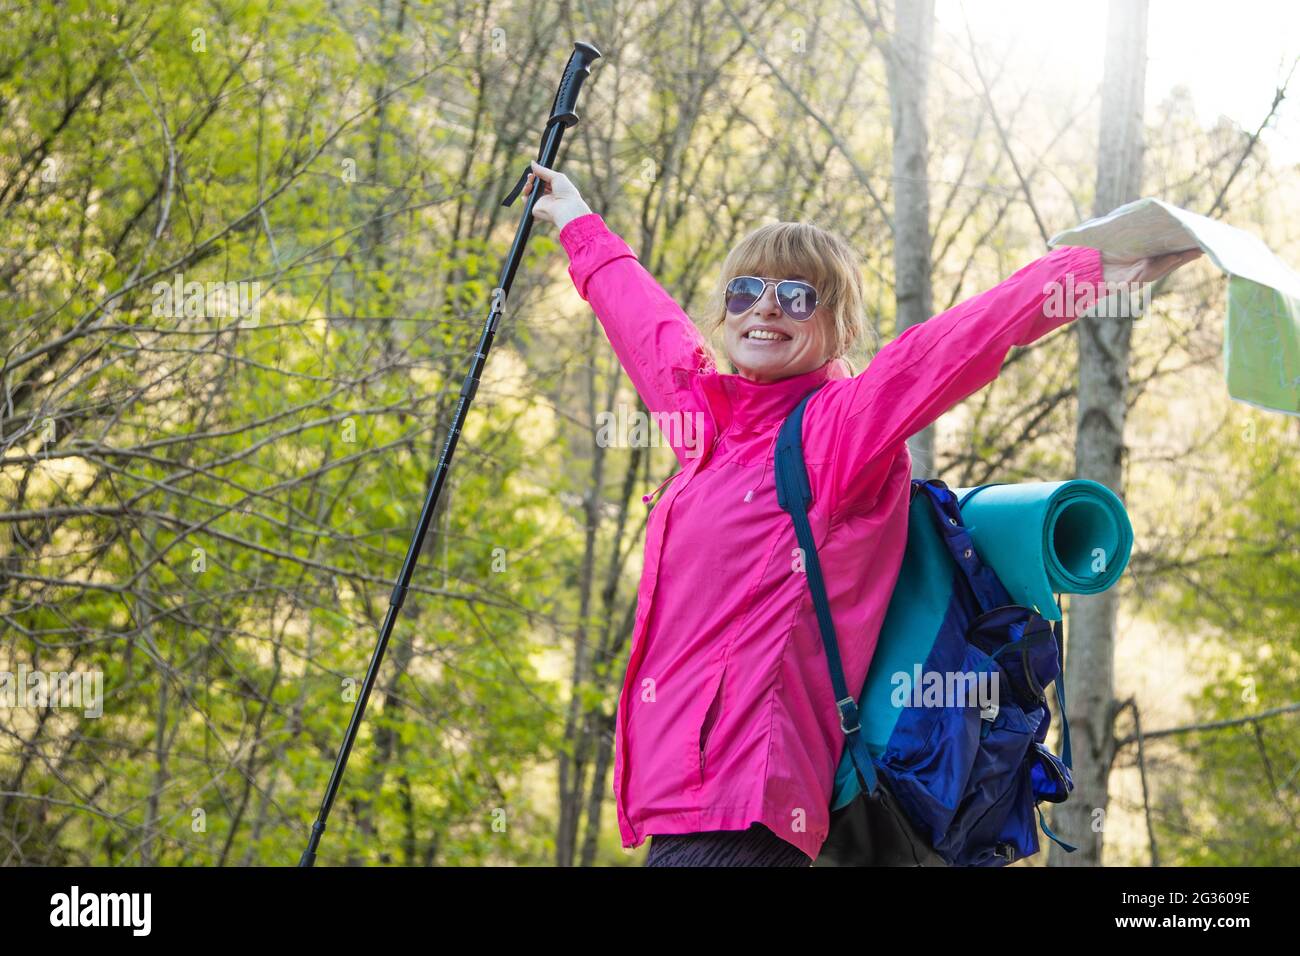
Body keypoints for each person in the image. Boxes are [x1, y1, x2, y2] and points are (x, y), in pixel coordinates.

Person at [523, 160, 1201, 867]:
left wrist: (1086, 269)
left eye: (798, 295)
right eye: (746, 290)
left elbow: (949, 348)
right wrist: (577, 222)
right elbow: (648, 328)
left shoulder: (837, 432)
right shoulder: (711, 427)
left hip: (751, 806)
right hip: (682, 805)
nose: (766, 308)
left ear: (840, 328)